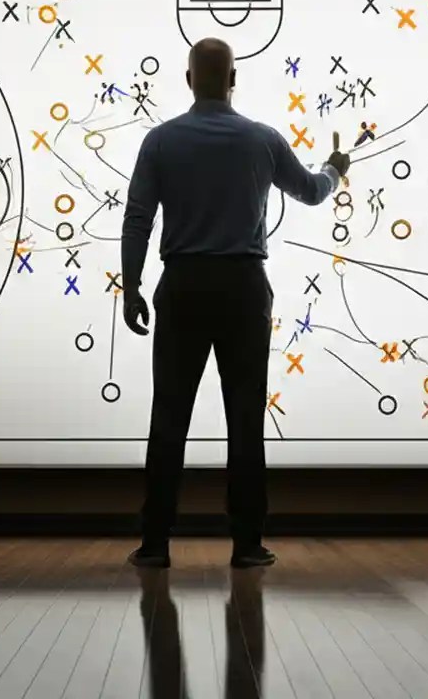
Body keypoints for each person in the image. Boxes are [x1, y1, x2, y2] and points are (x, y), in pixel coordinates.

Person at [120, 38, 352, 569]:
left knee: (169, 416)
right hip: (245, 288)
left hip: (182, 286)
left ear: (186, 80)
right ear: (233, 79)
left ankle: (155, 544)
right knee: (245, 418)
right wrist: (337, 167)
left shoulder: (160, 141)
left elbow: (138, 218)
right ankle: (247, 544)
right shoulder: (262, 140)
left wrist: (132, 285)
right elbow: (314, 192)